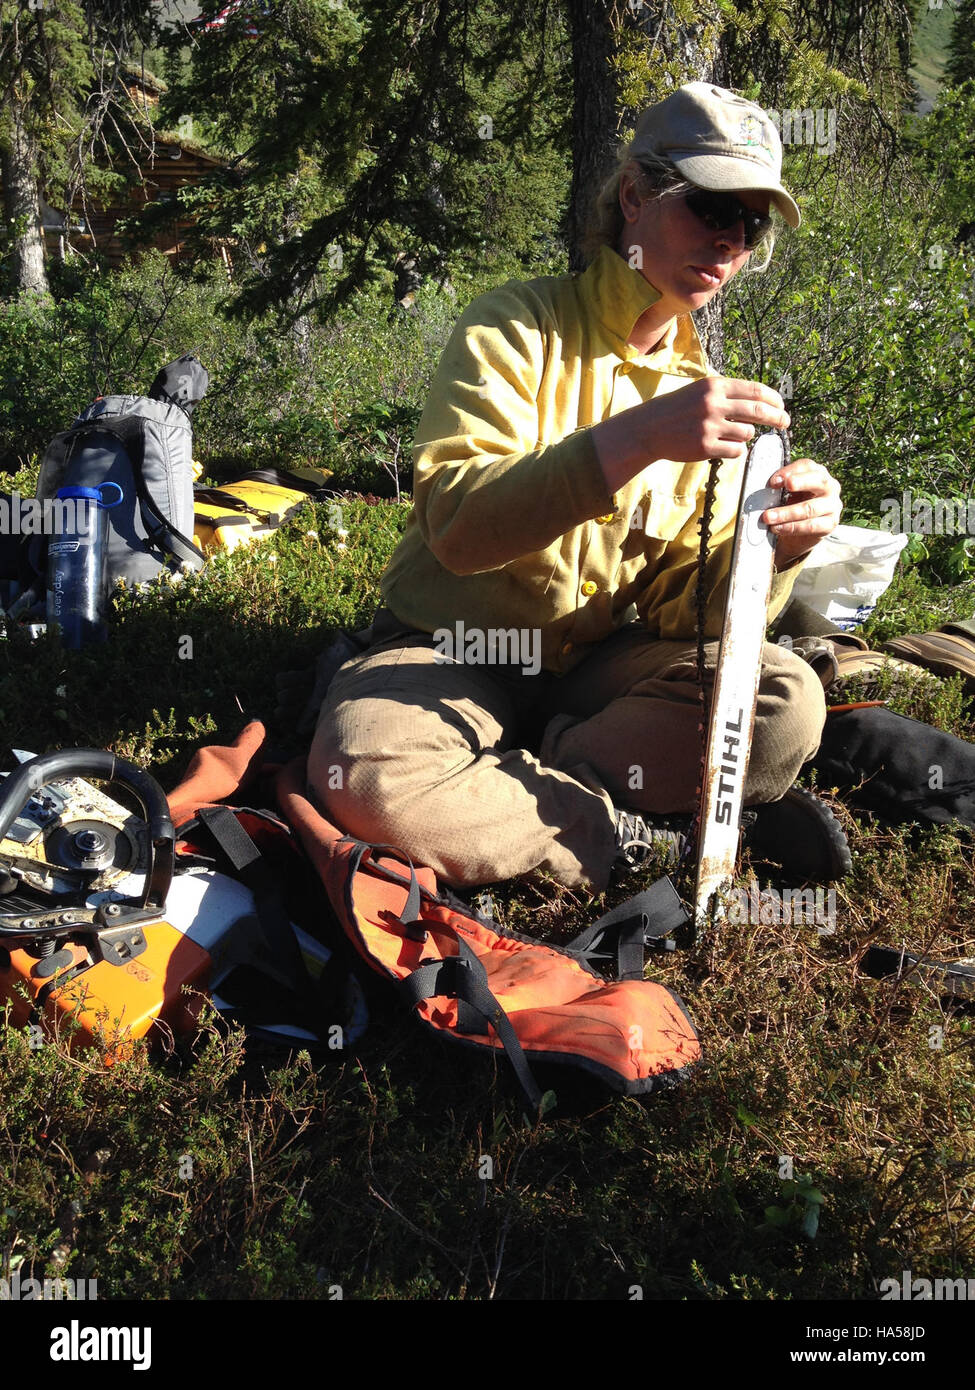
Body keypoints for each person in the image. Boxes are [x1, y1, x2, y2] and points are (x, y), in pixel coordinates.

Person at [308, 83, 844, 896]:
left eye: (751, 222)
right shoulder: (512, 328)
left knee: (783, 697)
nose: (729, 239)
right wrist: (632, 440)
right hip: (451, 650)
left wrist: (778, 551)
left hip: (594, 671)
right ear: (633, 196)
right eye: (710, 205)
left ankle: (526, 781)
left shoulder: (704, 393)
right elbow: (456, 528)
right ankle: (634, 835)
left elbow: (680, 617)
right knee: (370, 776)